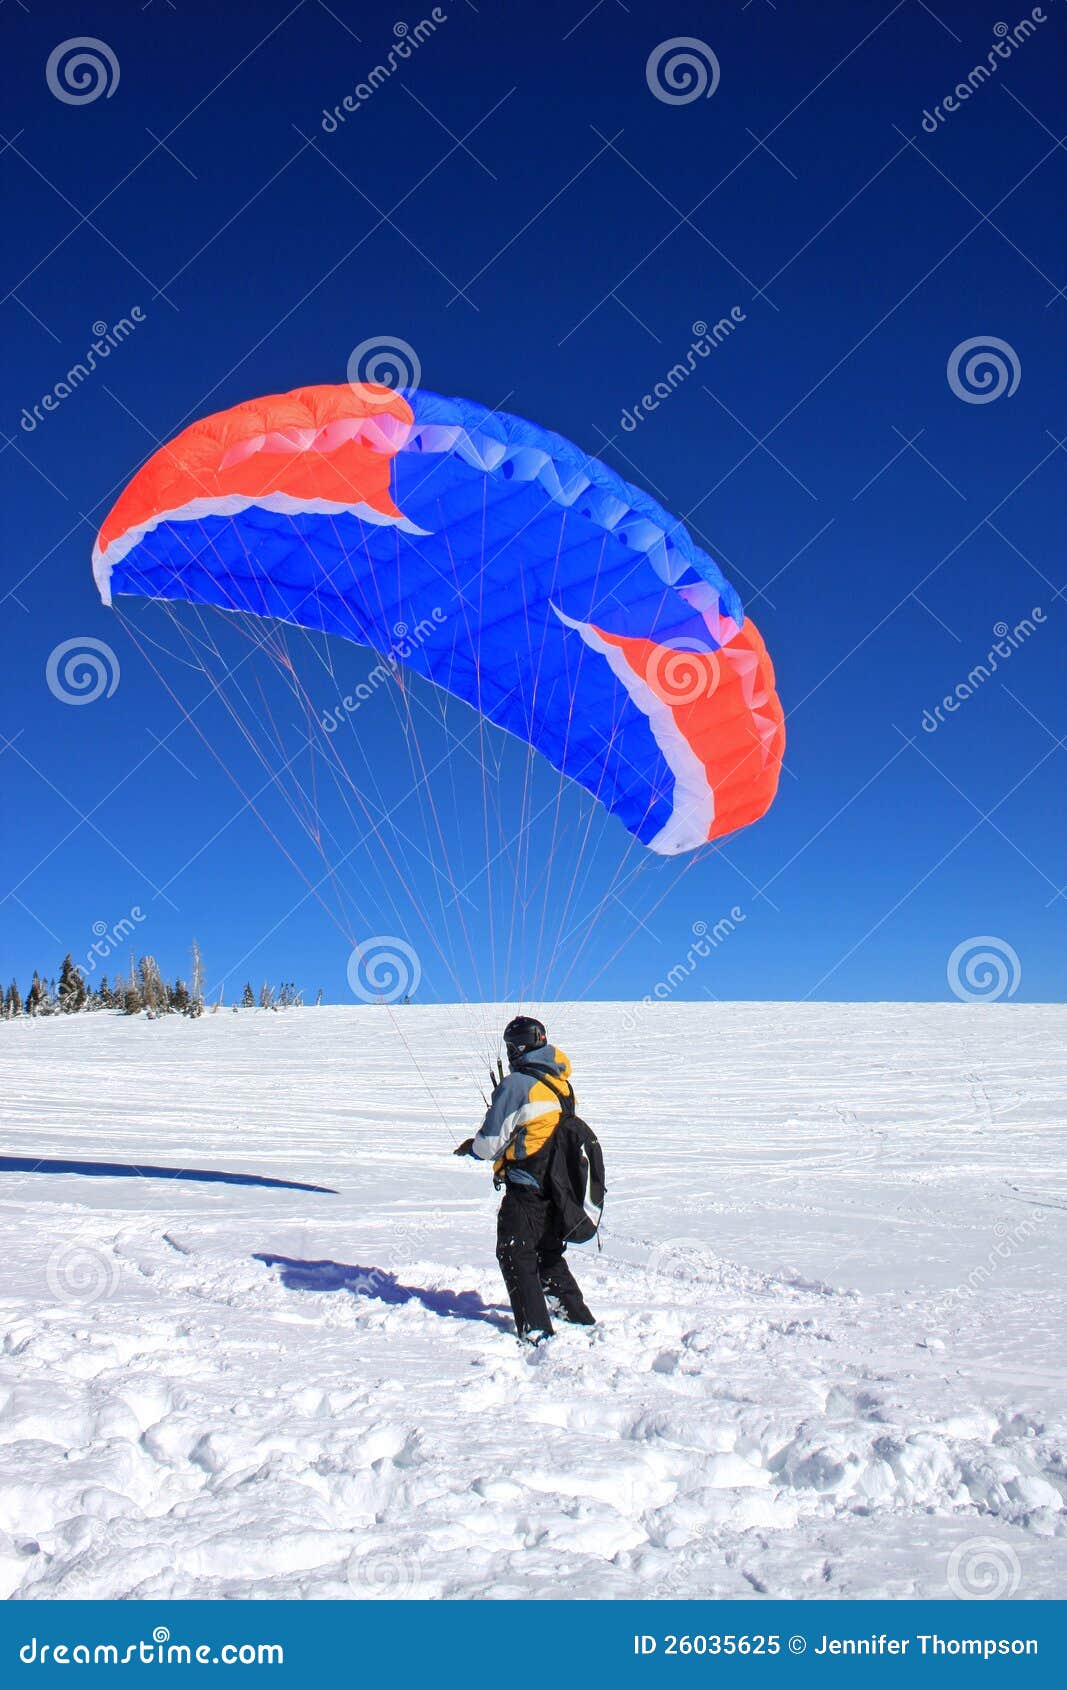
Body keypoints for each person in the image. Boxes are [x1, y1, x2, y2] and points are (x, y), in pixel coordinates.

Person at [454, 1016, 596, 1346]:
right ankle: (577, 1319)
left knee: (515, 1252)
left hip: (527, 1187)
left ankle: (537, 1333)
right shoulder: (561, 1083)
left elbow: (490, 1144)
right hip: (556, 1188)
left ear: (516, 1048)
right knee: (546, 1253)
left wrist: (472, 1149)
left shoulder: (517, 1085)